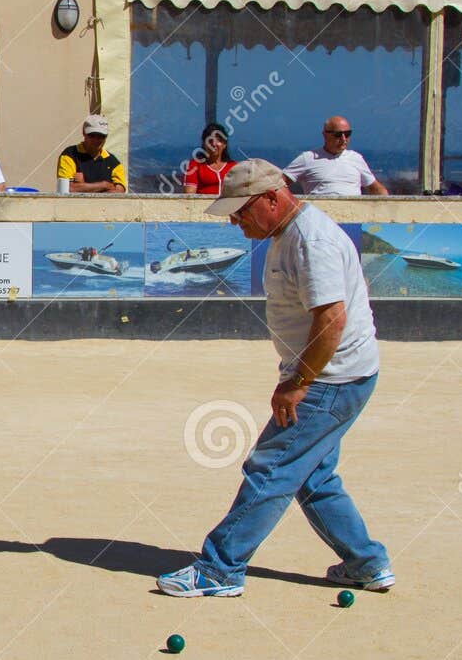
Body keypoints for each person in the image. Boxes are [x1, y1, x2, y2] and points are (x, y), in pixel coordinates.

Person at [157, 159, 392, 598]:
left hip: (329, 380)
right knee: (313, 475)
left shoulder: (312, 241)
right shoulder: (289, 233)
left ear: (271, 198)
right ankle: (366, 562)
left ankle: (220, 569)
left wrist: (299, 381)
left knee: (270, 468)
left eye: (240, 210)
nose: (233, 220)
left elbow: (331, 319)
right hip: (340, 376)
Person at [282, 116, 389, 195]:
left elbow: (376, 188)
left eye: (347, 134)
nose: (343, 139)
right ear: (325, 135)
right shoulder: (307, 158)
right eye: (338, 135)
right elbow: (279, 183)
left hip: (354, 219)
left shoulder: (356, 158)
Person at [56, 115, 125, 193]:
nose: (96, 140)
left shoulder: (113, 162)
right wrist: (105, 185)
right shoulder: (69, 155)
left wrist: (82, 186)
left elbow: (119, 192)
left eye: (101, 136)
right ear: (84, 133)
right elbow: (67, 189)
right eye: (92, 135)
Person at [182, 123, 237, 195]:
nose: (214, 144)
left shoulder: (234, 167)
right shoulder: (194, 166)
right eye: (210, 141)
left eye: (218, 140)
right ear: (204, 144)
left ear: (224, 144)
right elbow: (189, 196)